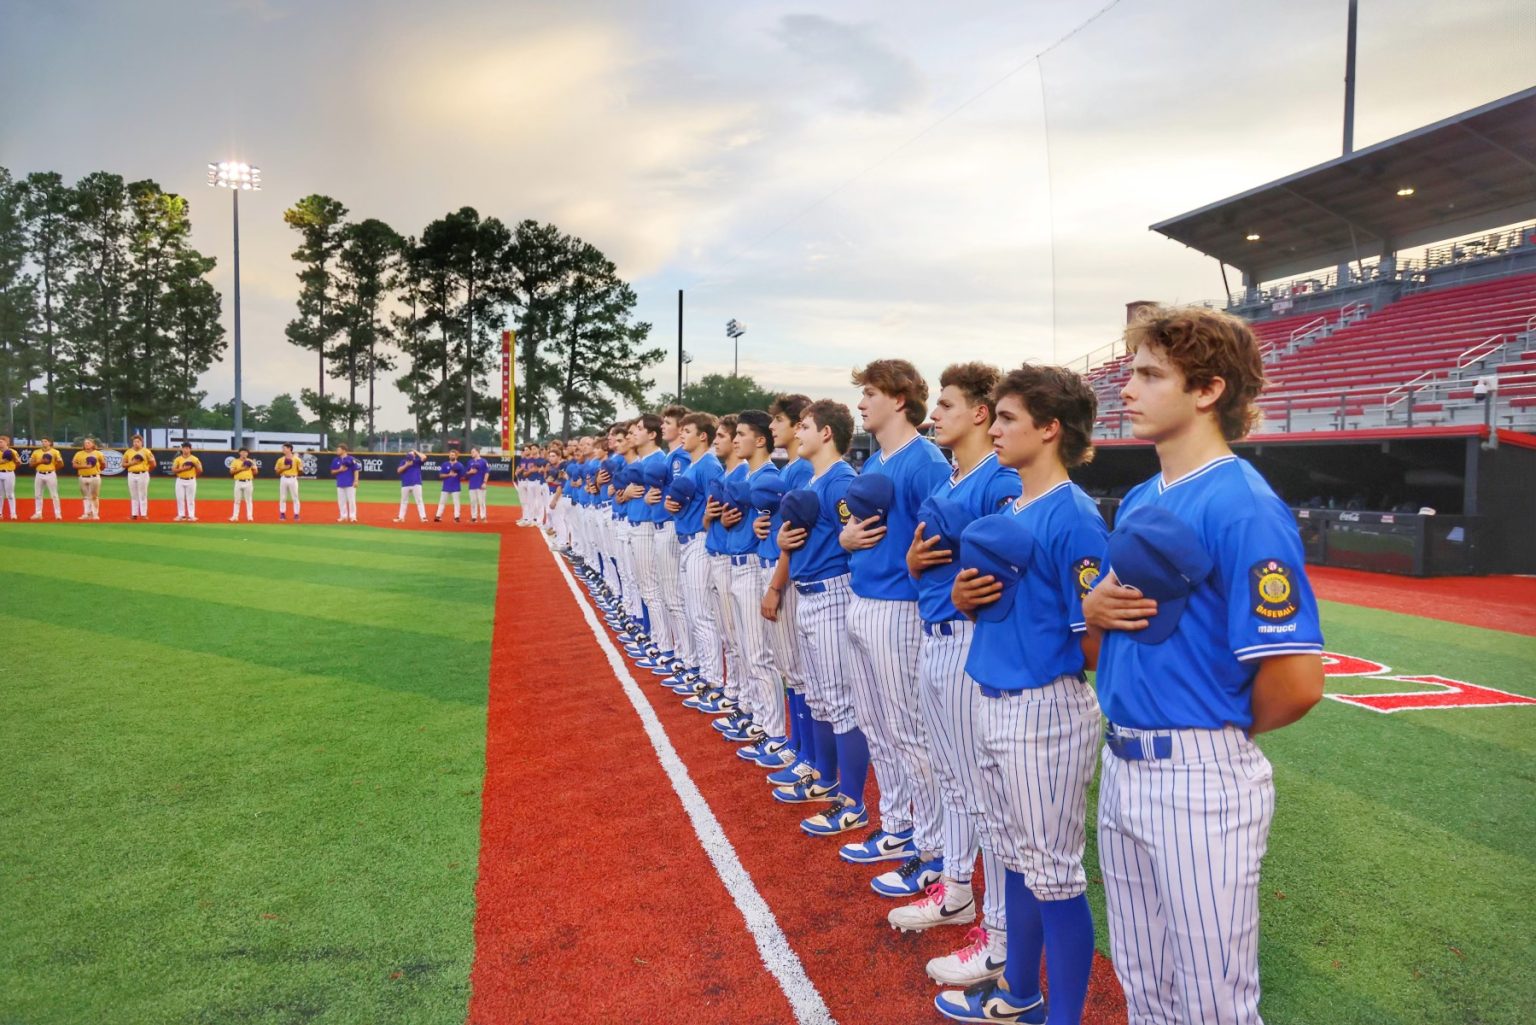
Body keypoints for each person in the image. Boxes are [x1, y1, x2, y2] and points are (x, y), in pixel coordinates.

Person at [1083, 306, 1325, 1025]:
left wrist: (1209, 732)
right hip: (1122, 761)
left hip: (1197, 770)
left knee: (1214, 1003)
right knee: (1146, 989)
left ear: (1208, 389)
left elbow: (1298, 681)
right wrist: (1094, 613)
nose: (1127, 388)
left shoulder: (1244, 503)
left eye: (1150, 374)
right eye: (1130, 371)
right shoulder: (1140, 496)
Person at [936, 364, 1107, 1024]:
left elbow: (1090, 640)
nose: (996, 427)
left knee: (1055, 876)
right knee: (1016, 861)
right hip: (993, 694)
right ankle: (1021, 994)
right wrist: (961, 598)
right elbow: (1005, 609)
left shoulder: (1075, 517)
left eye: (1008, 417)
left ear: (1049, 427)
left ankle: (1059, 1015)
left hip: (1044, 706)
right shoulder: (1011, 507)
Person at [889, 363, 1022, 990]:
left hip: (971, 643)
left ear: (979, 414)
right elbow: (931, 567)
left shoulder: (1001, 480)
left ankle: (995, 935)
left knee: (985, 795)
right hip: (936, 637)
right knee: (955, 782)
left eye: (945, 404)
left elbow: (1008, 574)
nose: (932, 414)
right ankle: (957, 892)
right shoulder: (957, 476)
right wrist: (916, 564)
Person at [838, 360, 952, 892]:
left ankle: (932, 848)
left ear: (900, 399)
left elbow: (939, 542)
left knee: (909, 732)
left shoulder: (925, 460)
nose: (861, 404)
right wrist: (845, 542)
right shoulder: (875, 460)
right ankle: (899, 826)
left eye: (870, 393)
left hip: (900, 606)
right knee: (878, 726)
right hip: (864, 597)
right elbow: (857, 531)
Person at [772, 399, 861, 828]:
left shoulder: (841, 480)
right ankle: (826, 780)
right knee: (821, 697)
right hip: (809, 593)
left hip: (832, 591)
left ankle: (852, 802)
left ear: (827, 433)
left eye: (805, 426)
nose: (799, 432)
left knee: (839, 701)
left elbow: (856, 539)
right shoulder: (815, 476)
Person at [747, 393, 815, 770]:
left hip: (787, 578)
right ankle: (797, 744)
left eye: (779, 420)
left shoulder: (802, 469)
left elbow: (797, 538)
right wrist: (764, 524)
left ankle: (804, 752)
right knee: (790, 668)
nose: (772, 427)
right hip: (779, 571)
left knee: (798, 671)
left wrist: (775, 586)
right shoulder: (790, 469)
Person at [28, 436, 63, 521]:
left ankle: (58, 514)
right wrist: (40, 461)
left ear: (50, 442)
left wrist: (53, 469)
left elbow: (61, 464)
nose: (44, 443)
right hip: (39, 474)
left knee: (54, 495)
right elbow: (31, 465)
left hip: (50, 474)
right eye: (42, 441)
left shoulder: (55, 452)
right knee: (38, 495)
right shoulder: (36, 452)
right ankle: (38, 514)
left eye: (46, 441)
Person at [122, 434, 155, 520]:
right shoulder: (128, 452)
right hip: (131, 474)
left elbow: (153, 464)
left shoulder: (146, 451)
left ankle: (143, 514)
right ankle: (134, 514)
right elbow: (123, 464)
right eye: (134, 441)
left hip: (142, 474)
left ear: (142, 442)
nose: (136, 443)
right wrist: (132, 463)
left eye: (138, 441)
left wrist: (146, 470)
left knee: (143, 494)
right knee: (133, 495)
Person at [73, 438, 105, 520]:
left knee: (94, 496)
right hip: (82, 477)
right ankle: (86, 514)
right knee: (85, 497)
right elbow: (74, 465)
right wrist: (85, 467)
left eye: (88, 443)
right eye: (85, 443)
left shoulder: (98, 453)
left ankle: (95, 514)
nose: (86, 444)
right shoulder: (79, 454)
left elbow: (103, 464)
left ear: (93, 444)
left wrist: (97, 471)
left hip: (94, 477)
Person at [394, 448, 427, 523]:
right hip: (405, 484)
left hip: (416, 484)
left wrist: (416, 451)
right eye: (410, 454)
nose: (412, 455)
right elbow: (398, 471)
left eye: (413, 454)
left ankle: (423, 517)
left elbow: (424, 457)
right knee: (404, 501)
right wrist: (406, 465)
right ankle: (401, 517)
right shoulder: (403, 462)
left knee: (419, 500)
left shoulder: (417, 461)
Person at [171, 442, 202, 522]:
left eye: (187, 448)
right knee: (180, 498)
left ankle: (191, 515)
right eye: (184, 448)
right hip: (180, 480)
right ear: (182, 449)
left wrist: (196, 466)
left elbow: (200, 470)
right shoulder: (178, 459)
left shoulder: (194, 459)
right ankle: (181, 515)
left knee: (190, 499)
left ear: (190, 449)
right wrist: (183, 469)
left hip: (191, 480)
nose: (185, 449)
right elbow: (173, 470)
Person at [331, 444, 361, 522]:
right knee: (341, 501)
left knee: (351, 501)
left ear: (344, 450)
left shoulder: (351, 459)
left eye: (338, 449)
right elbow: (332, 471)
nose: (337, 451)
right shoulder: (336, 460)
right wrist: (339, 470)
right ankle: (343, 516)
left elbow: (356, 470)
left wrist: (356, 481)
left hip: (350, 483)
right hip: (340, 483)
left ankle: (353, 516)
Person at [435, 447, 465, 523]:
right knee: (442, 502)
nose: (451, 456)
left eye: (453, 455)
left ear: (456, 456)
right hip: (446, 486)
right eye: (450, 455)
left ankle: (456, 517)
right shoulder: (445, 464)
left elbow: (463, 477)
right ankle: (438, 516)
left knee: (456, 503)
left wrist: (458, 475)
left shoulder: (460, 465)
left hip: (456, 487)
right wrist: (449, 474)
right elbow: (440, 476)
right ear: (449, 456)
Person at [229, 447, 257, 522]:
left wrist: (253, 467)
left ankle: (250, 517)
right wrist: (242, 468)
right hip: (238, 482)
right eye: (243, 452)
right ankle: (235, 516)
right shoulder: (235, 461)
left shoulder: (250, 461)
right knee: (237, 500)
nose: (244, 453)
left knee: (249, 500)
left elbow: (255, 473)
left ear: (248, 453)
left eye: (246, 452)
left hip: (248, 482)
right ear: (239, 453)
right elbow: (231, 472)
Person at [275, 444, 302, 521]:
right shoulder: (280, 460)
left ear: (289, 449)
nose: (282, 450)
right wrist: (284, 468)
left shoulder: (297, 459)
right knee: (283, 497)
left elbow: (300, 471)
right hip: (283, 478)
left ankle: (296, 514)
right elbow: (277, 472)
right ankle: (282, 513)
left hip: (293, 478)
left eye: (284, 448)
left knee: (295, 497)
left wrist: (300, 469)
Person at [465, 447, 491, 523]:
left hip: (480, 484)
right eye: (471, 452)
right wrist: (470, 472)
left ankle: (483, 517)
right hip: (472, 484)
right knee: (473, 502)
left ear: (477, 452)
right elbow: (466, 473)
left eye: (473, 451)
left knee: (482, 502)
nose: (471, 453)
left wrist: (484, 482)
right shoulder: (470, 462)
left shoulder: (483, 461)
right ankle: (474, 518)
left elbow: (487, 472)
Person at [0, 435, 19, 520]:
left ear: (6, 442)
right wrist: (4, 461)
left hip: (9, 473)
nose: (0, 443)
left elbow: (19, 463)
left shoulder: (13, 452)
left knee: (10, 494)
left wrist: (15, 460)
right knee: (0, 495)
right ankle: (0, 513)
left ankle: (13, 514)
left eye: (1, 442)